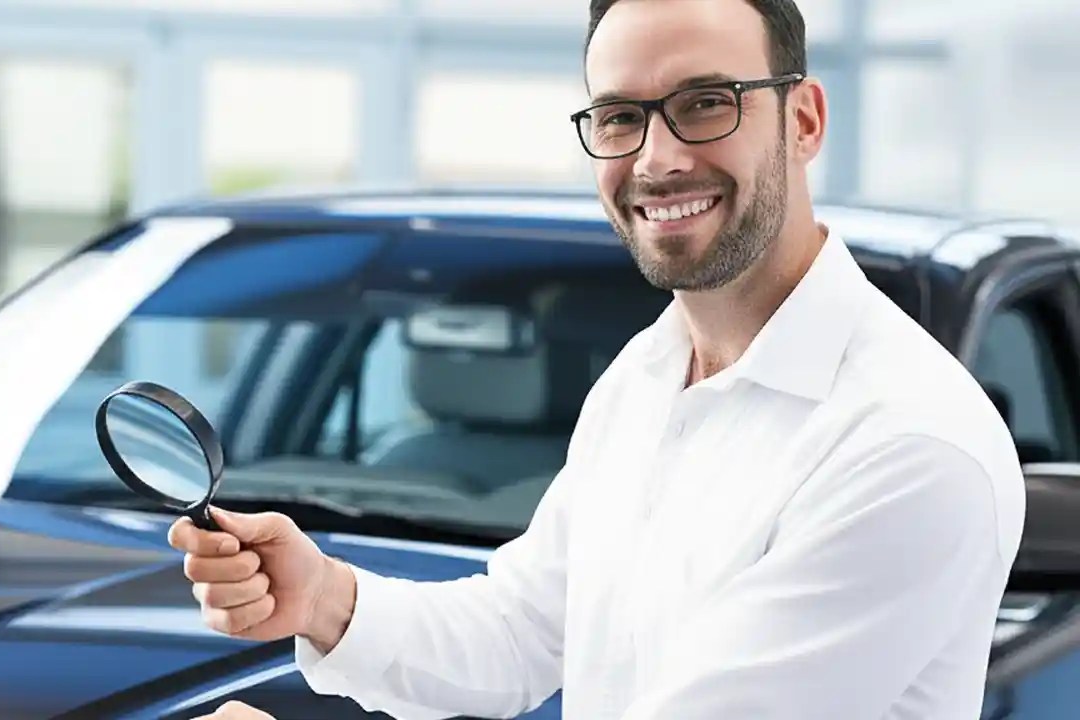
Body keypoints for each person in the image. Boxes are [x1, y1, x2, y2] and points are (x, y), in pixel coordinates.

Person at [169, 0, 1027, 717]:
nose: (656, 158)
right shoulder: (647, 376)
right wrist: (325, 598)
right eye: (621, 116)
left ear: (802, 121)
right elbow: (524, 629)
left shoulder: (911, 442)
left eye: (705, 102)